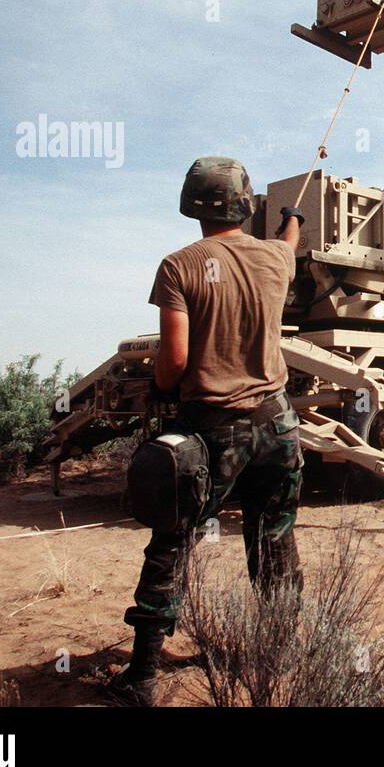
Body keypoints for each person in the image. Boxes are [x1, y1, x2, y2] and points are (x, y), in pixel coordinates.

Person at [110, 156, 305, 706]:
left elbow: (171, 366)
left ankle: (143, 676)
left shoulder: (179, 266)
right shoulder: (274, 258)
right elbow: (287, 246)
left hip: (210, 431)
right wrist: (293, 220)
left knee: (171, 543)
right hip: (277, 426)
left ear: (191, 205)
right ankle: (280, 653)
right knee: (274, 539)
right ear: (245, 203)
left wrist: (163, 381)